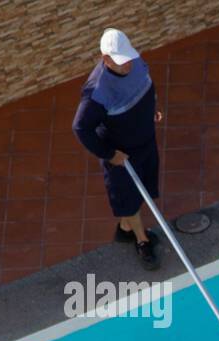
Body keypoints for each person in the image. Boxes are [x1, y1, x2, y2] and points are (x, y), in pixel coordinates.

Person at [72, 28, 163, 270]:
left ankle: (125, 229)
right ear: (106, 59)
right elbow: (81, 128)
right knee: (129, 199)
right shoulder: (98, 92)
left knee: (143, 189)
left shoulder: (134, 61)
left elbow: (145, 87)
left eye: (128, 58)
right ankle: (142, 241)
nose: (128, 65)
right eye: (121, 62)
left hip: (145, 139)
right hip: (123, 155)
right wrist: (111, 155)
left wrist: (150, 110)